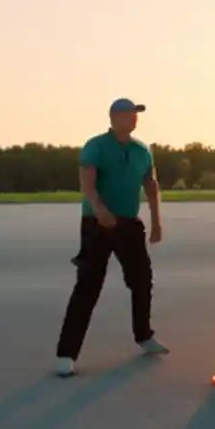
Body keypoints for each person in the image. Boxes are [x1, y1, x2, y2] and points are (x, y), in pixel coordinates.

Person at [55, 97, 168, 377]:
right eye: (128, 114)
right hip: (97, 224)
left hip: (129, 224)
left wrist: (156, 221)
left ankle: (144, 336)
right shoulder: (96, 146)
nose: (133, 119)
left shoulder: (143, 150)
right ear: (114, 117)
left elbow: (151, 186)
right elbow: (87, 183)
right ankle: (67, 354)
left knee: (142, 280)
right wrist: (100, 209)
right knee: (88, 287)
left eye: (135, 115)